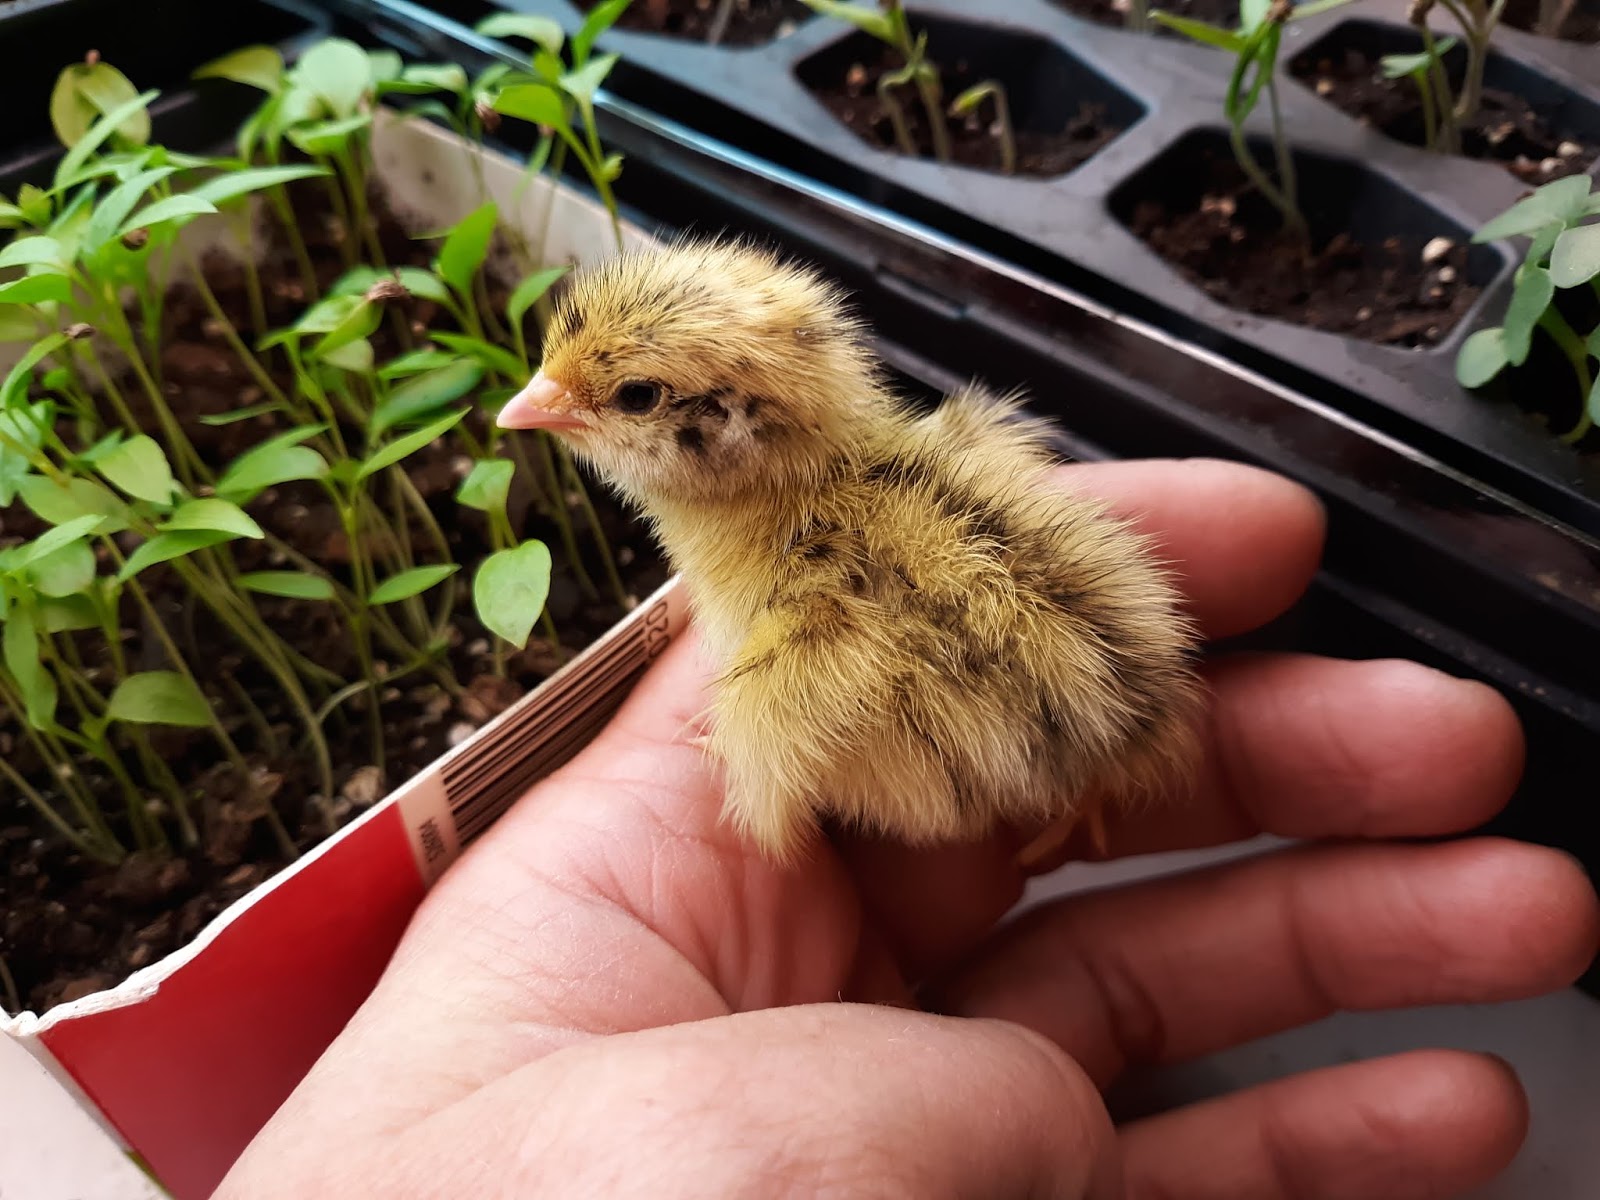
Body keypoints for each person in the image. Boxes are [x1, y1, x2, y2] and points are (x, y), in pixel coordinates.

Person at [214, 460, 1598, 1199]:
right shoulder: (850, 546)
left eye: (623, 404)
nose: (553, 413)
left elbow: (796, 760)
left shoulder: (800, 604)